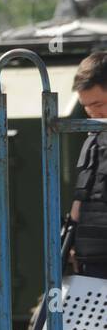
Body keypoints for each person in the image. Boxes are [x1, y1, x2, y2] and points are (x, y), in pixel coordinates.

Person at [68, 50, 107, 279]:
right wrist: (74, 244)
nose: (92, 113)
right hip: (91, 260)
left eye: (98, 104)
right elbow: (80, 199)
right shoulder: (93, 138)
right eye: (86, 106)